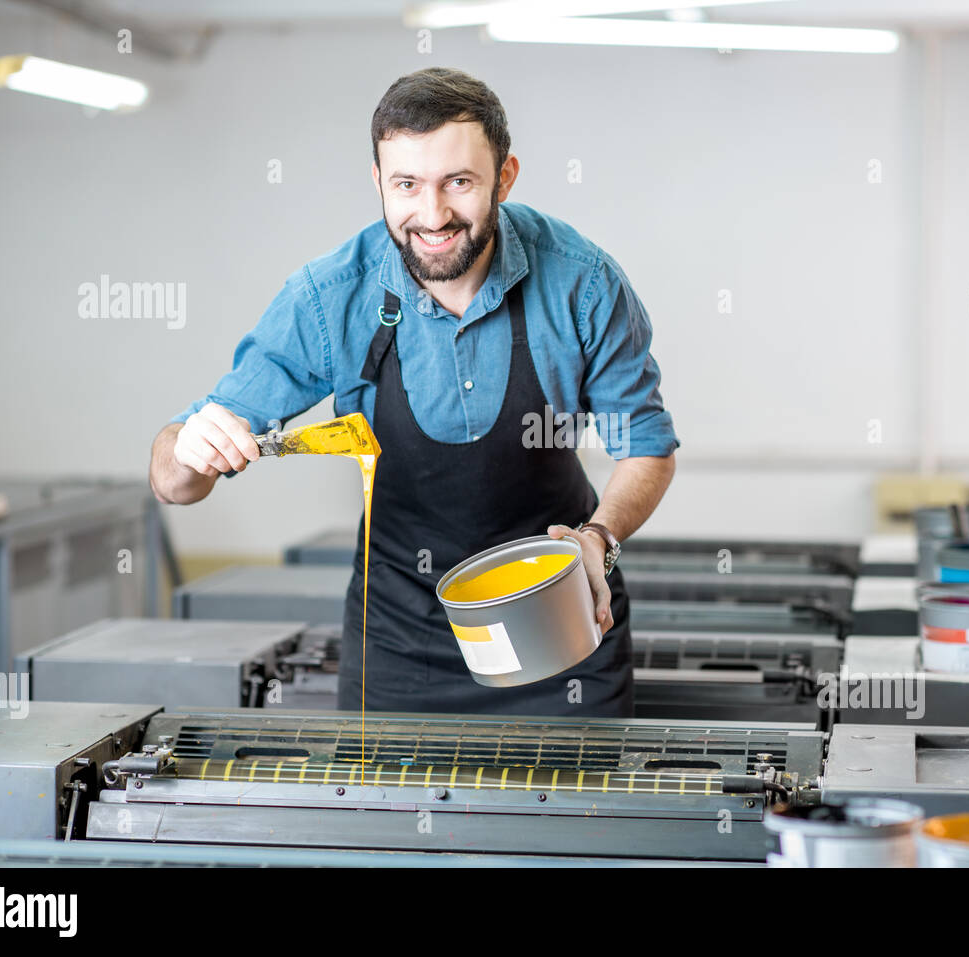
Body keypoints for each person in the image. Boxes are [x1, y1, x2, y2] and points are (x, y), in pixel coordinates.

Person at [149, 67, 678, 717]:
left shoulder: (581, 283)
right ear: (378, 181)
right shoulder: (330, 297)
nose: (432, 216)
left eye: (459, 182)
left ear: (504, 177)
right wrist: (191, 447)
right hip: (402, 646)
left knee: (579, 816)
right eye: (406, 185)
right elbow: (174, 481)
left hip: (560, 627)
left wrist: (599, 536)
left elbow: (647, 445)